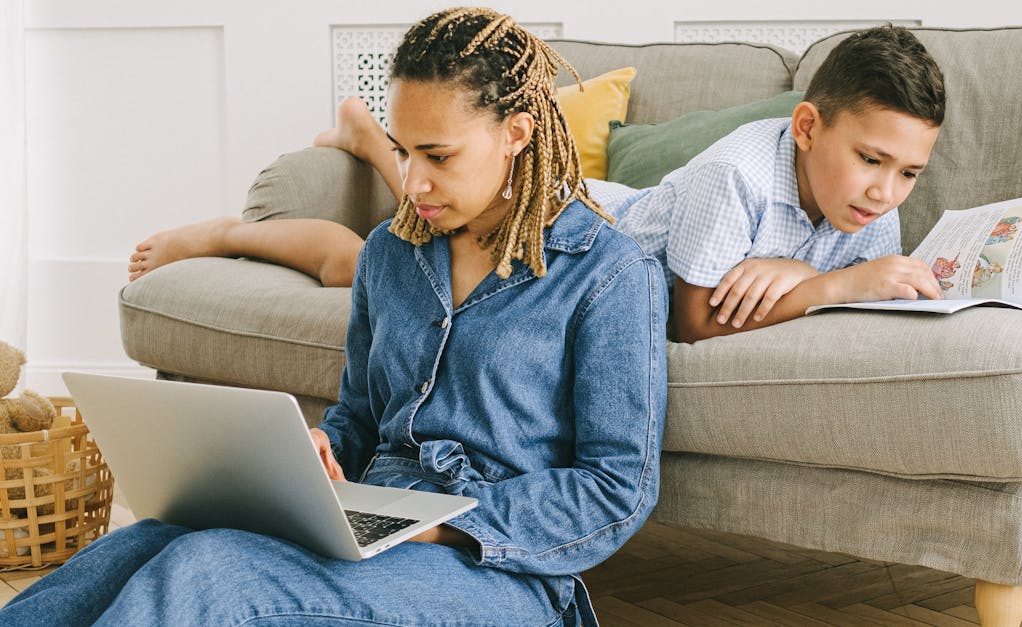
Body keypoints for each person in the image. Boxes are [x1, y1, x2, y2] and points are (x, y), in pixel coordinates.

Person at [3, 8, 666, 626]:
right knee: (147, 542)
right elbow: (359, 418)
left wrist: (440, 522)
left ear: (516, 133)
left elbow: (614, 489)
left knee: (210, 571)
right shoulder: (391, 254)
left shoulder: (607, 274)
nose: (412, 183)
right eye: (403, 150)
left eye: (438, 156)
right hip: (367, 523)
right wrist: (319, 453)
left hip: (494, 568)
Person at [126, 25, 946, 345]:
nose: (884, 191)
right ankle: (233, 229)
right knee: (388, 245)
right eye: (872, 160)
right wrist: (830, 281)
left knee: (428, 192)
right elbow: (693, 319)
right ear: (806, 129)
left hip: (606, 214)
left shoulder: (861, 206)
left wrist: (816, 277)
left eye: (908, 172)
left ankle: (370, 139)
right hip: (575, 222)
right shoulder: (736, 176)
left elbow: (866, 288)